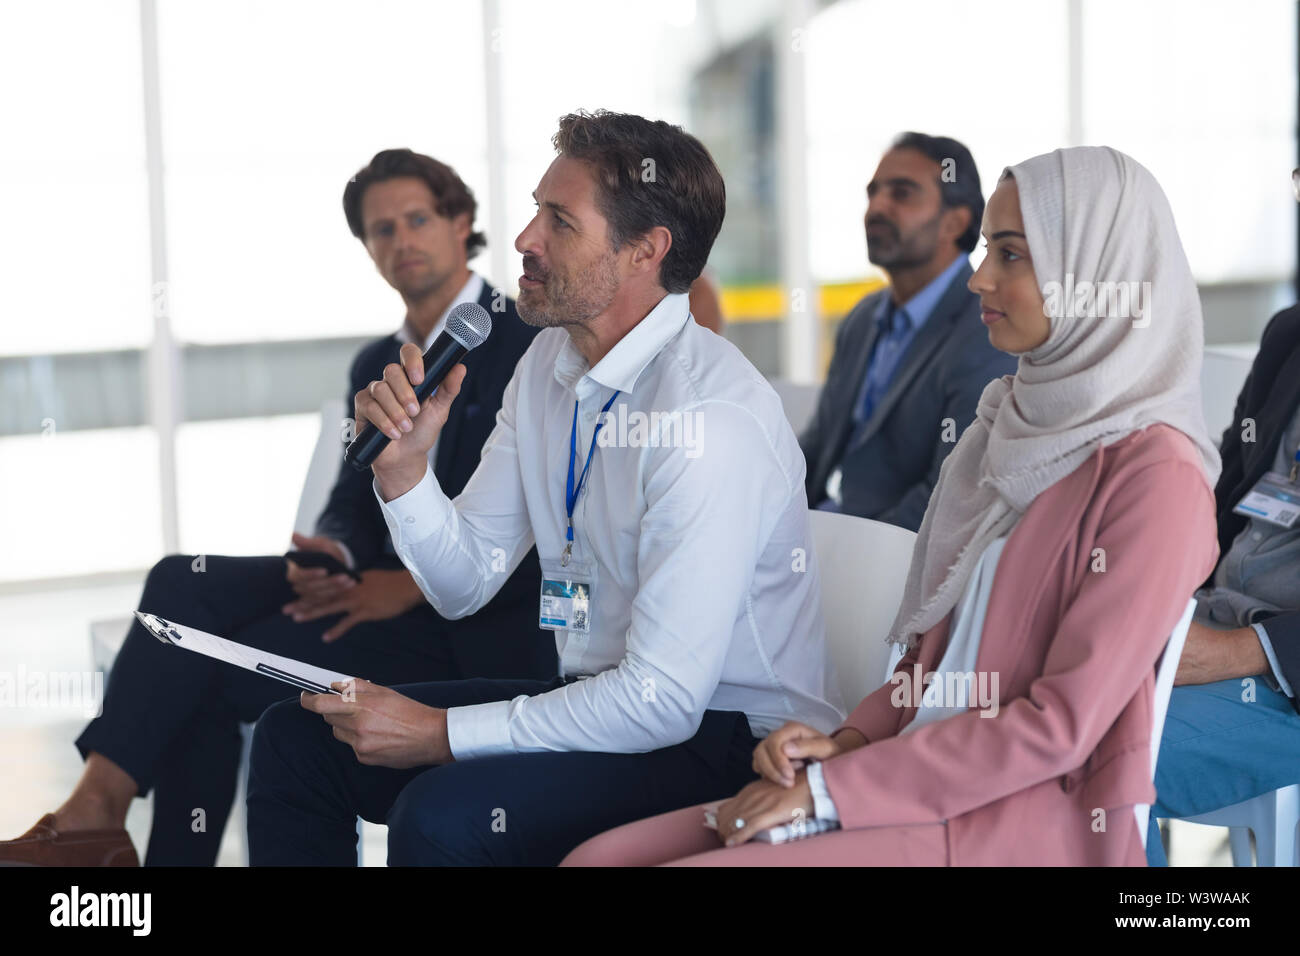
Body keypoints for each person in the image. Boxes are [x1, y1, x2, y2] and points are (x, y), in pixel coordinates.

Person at [563, 145, 1222, 867]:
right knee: (599, 859)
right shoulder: (1004, 427)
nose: (979, 277)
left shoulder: (1157, 479)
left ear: (1098, 274)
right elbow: (925, 661)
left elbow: (1059, 728)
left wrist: (831, 792)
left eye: (1011, 255)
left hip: (1011, 822)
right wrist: (842, 744)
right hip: (899, 778)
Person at [243, 110, 843, 867]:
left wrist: (437, 735)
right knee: (298, 736)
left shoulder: (703, 420)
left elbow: (662, 702)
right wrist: (405, 476)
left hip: (724, 741)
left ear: (644, 252)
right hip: (591, 693)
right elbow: (466, 583)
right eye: (535, 210)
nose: (524, 239)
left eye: (559, 221)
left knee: (441, 814)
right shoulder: (547, 367)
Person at [0, 149, 552, 867]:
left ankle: (98, 828)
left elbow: (542, 520)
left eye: (417, 220)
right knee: (180, 583)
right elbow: (350, 504)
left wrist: (405, 585)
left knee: (195, 673)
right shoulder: (376, 361)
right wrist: (336, 553)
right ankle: (99, 818)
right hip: (367, 587)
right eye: (381, 230)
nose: (401, 242)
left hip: (460, 617)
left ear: (462, 222)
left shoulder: (526, 342)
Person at [1144, 166, 1300, 865]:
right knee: (1022, 717)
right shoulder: (1289, 334)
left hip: (1278, 678)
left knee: (1090, 761)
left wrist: (1243, 654)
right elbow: (1227, 492)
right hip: (1210, 623)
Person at [800, 132, 1016, 530]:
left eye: (902, 194)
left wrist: (843, 547)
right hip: (819, 539)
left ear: (955, 221)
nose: (876, 207)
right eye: (873, 193)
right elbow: (815, 449)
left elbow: (946, 492)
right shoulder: (862, 319)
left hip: (887, 558)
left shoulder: (988, 327)